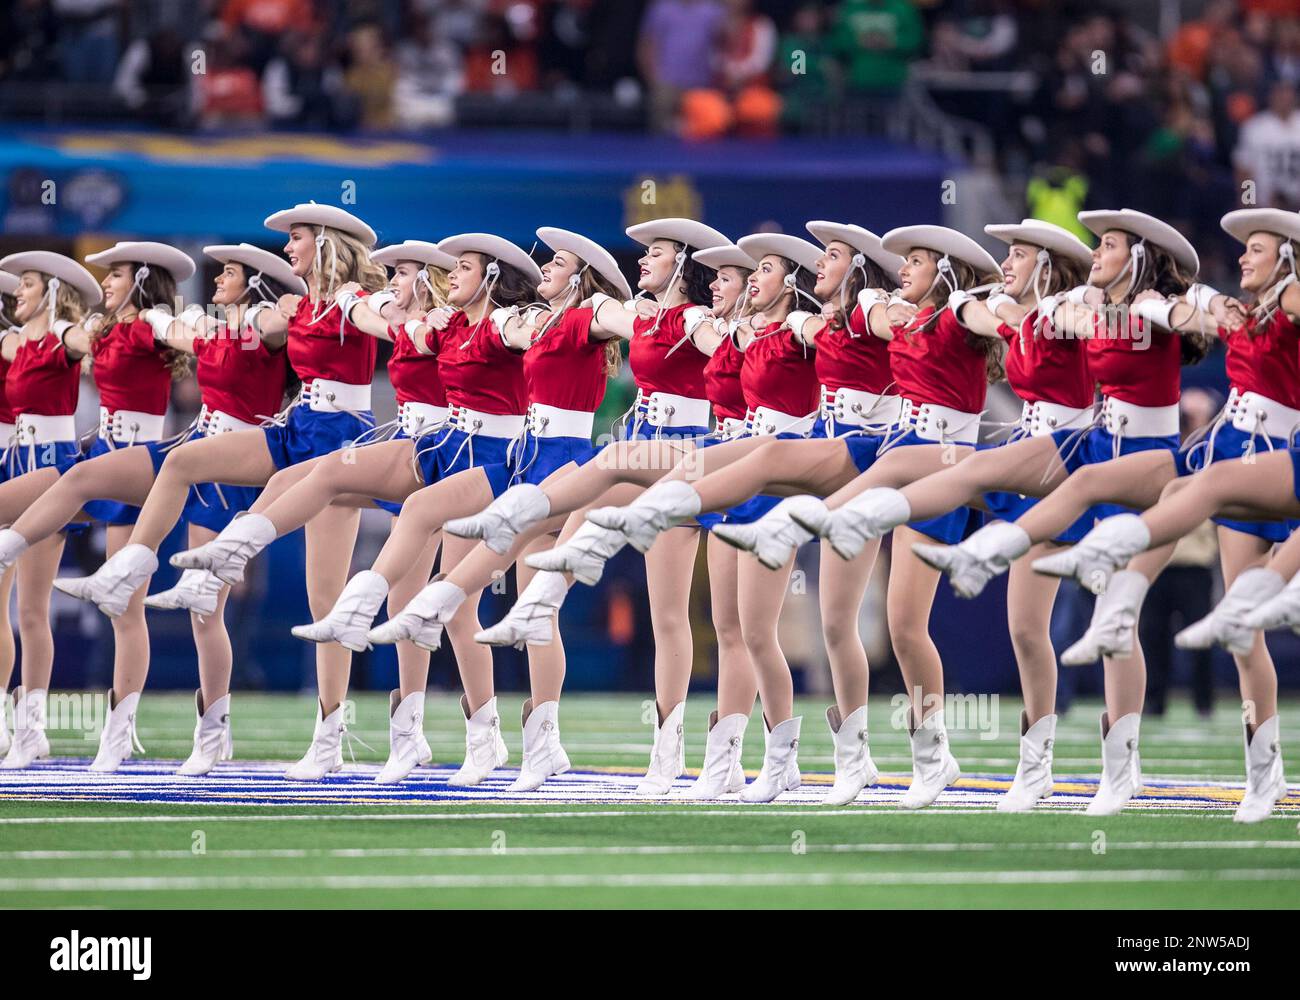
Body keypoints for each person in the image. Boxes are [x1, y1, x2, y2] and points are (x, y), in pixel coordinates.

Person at [45, 204, 386, 779]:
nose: (288, 249)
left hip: (339, 439)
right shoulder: (294, 307)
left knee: (324, 601)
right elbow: (231, 327)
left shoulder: (351, 300)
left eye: (296, 239)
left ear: (326, 242)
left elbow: (388, 321)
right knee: (183, 469)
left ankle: (330, 737)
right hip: (289, 432)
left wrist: (416, 317)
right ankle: (133, 571)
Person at [0, 242, 196, 771]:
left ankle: (119, 729)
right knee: (27, 602)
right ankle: (27, 728)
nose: (105, 281)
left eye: (116, 274)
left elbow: (188, 338)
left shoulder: (144, 322)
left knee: (124, 609)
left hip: (135, 464)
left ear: (140, 280)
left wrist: (198, 325)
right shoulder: (103, 332)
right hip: (95, 457)